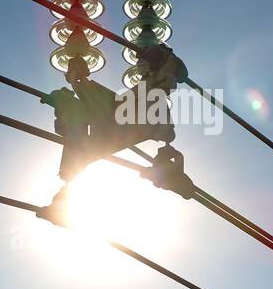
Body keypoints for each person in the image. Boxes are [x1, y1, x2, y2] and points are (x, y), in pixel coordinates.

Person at [37, 46, 194, 222]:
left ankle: (169, 172)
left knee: (78, 151)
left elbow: (177, 76)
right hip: (119, 121)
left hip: (126, 119)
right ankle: (62, 203)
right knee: (78, 152)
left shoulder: (150, 88)